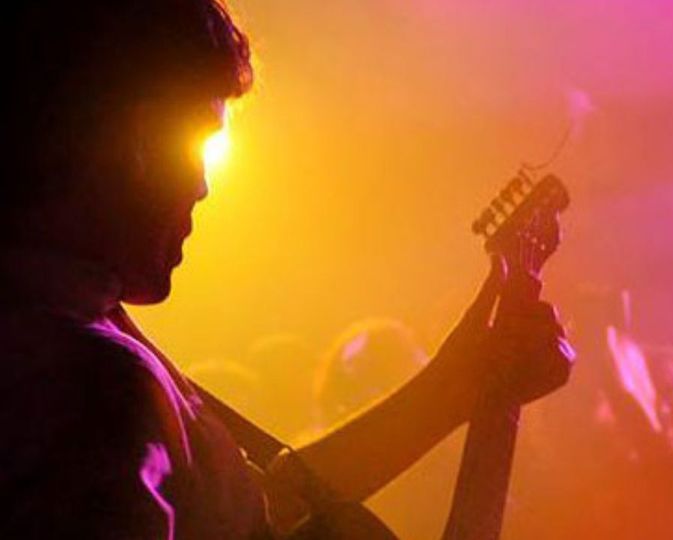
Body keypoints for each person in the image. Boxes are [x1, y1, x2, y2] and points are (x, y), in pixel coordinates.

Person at [0, 1, 573, 538]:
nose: (202, 186)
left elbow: (257, 512)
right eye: (195, 141)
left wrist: (462, 383)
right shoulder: (93, 382)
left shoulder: (82, 326)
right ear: (139, 143)